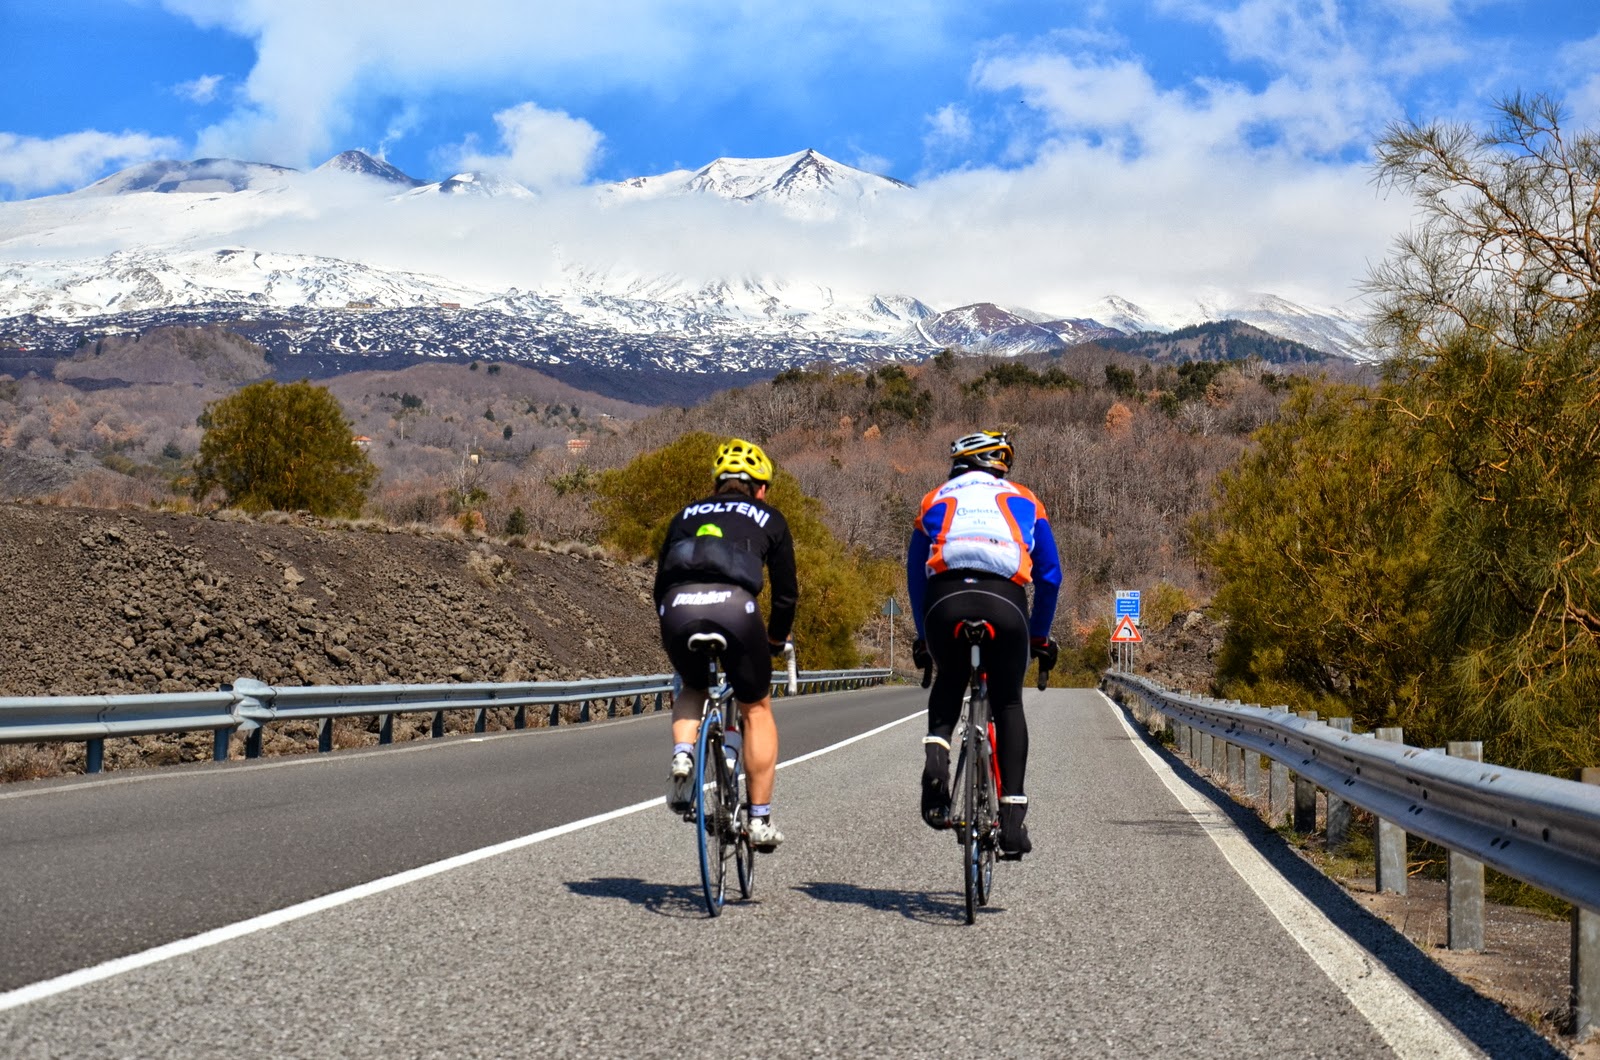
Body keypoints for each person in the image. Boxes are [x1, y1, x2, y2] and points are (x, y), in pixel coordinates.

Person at [906, 430, 1061, 857]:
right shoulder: (1027, 499)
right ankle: (1012, 823)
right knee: (1008, 703)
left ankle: (936, 760)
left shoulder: (933, 498)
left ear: (958, 462)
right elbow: (1050, 577)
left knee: (951, 676)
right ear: (999, 465)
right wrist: (1039, 635)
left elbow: (916, 577)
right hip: (1005, 603)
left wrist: (924, 635)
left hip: (945, 601)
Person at [654, 438, 798, 852]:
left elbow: (661, 581)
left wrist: (671, 618)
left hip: (679, 607)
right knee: (756, 709)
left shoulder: (685, 514)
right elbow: (786, 594)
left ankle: (683, 755)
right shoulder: (769, 516)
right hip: (736, 610)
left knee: (692, 686)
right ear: (761, 488)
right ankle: (759, 820)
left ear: (717, 484)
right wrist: (773, 639)